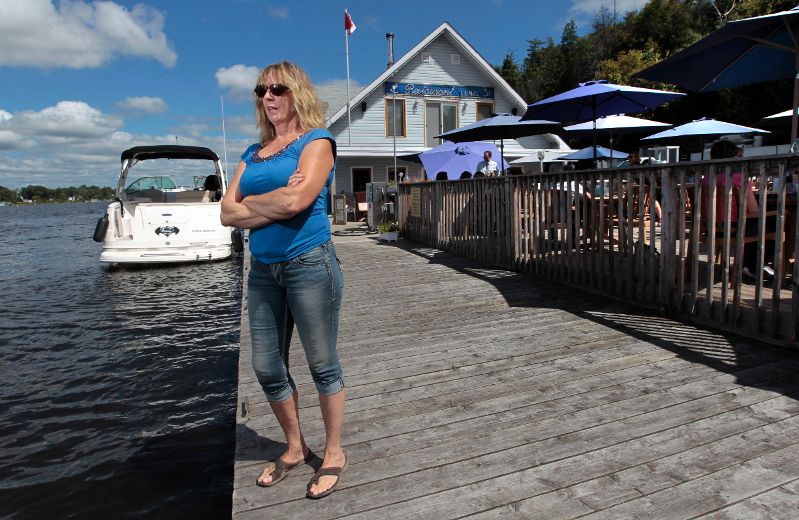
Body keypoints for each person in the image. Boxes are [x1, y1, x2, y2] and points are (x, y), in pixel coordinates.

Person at [220, 61, 346, 499]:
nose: (268, 97)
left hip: (309, 263)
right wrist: (270, 201)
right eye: (261, 91)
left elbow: (299, 200)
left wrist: (251, 205)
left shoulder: (317, 141)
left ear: (297, 92)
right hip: (263, 271)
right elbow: (225, 212)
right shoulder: (252, 154)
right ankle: (294, 447)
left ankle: (333, 452)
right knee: (267, 366)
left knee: (321, 364)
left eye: (277, 89)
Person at [700, 139, 773, 279]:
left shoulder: (705, 180)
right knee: (772, 225)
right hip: (735, 228)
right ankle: (751, 265)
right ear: (733, 157)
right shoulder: (739, 179)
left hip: (710, 227)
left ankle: (747, 265)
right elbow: (754, 210)